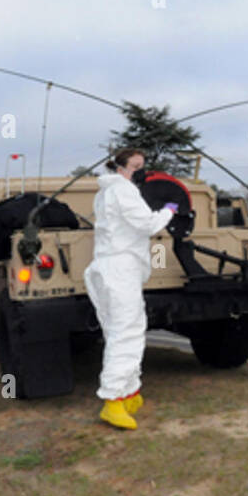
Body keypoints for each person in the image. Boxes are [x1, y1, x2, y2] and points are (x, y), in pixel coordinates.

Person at [84, 147, 177, 430]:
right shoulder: (123, 190)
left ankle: (129, 393)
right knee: (126, 333)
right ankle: (113, 401)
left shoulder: (105, 192)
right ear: (122, 167)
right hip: (120, 269)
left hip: (109, 267)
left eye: (141, 166)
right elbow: (147, 224)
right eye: (136, 166)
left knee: (122, 331)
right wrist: (168, 212)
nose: (139, 171)